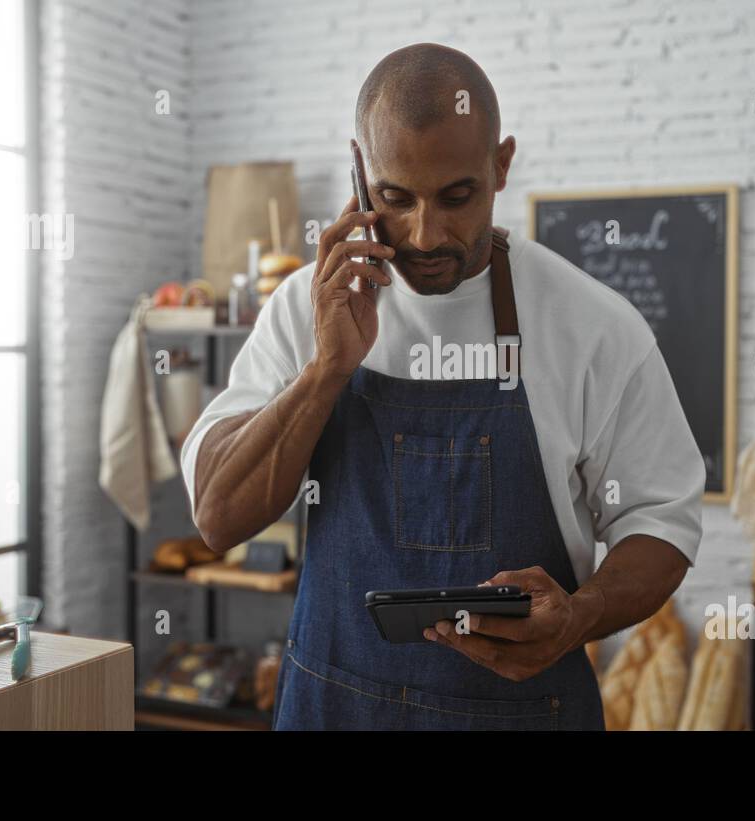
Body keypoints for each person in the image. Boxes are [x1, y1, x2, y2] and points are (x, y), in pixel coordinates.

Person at [182, 43, 704, 730]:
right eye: (396, 198)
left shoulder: (595, 326)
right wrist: (325, 370)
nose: (426, 234)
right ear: (360, 172)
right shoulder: (301, 311)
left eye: (457, 196)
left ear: (501, 164)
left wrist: (579, 615)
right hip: (333, 708)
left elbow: (660, 522)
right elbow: (219, 516)